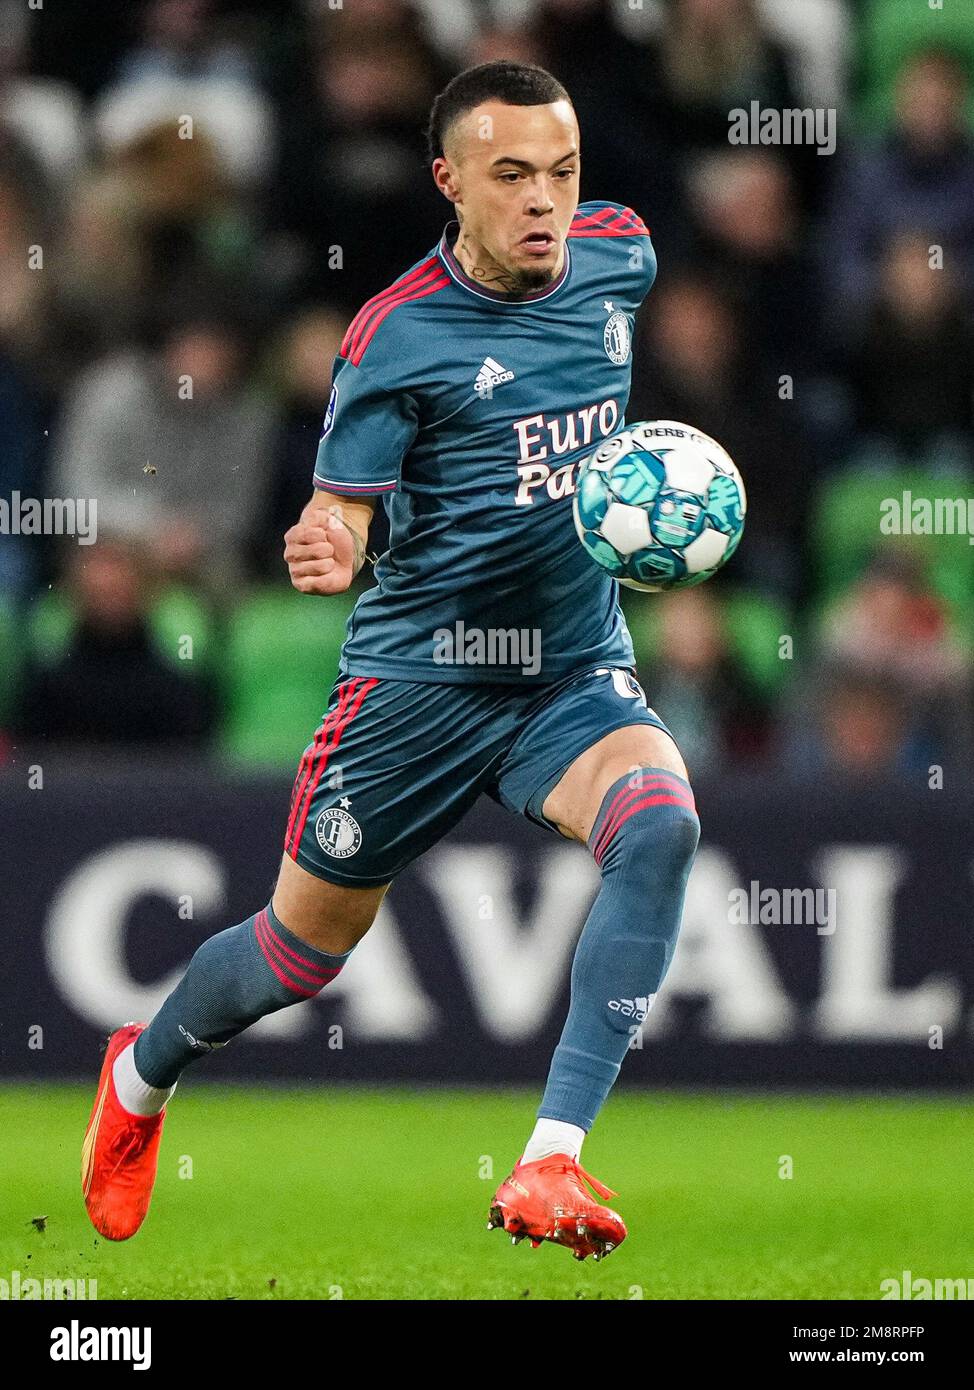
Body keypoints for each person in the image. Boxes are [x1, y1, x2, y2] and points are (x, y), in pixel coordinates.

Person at [81, 62, 700, 1264]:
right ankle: (141, 1075)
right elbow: (345, 515)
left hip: (568, 668)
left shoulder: (621, 255)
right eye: (510, 176)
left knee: (661, 823)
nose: (543, 203)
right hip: (417, 684)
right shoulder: (395, 336)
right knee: (294, 955)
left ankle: (548, 1155)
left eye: (561, 174)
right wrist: (330, 539)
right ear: (448, 182)